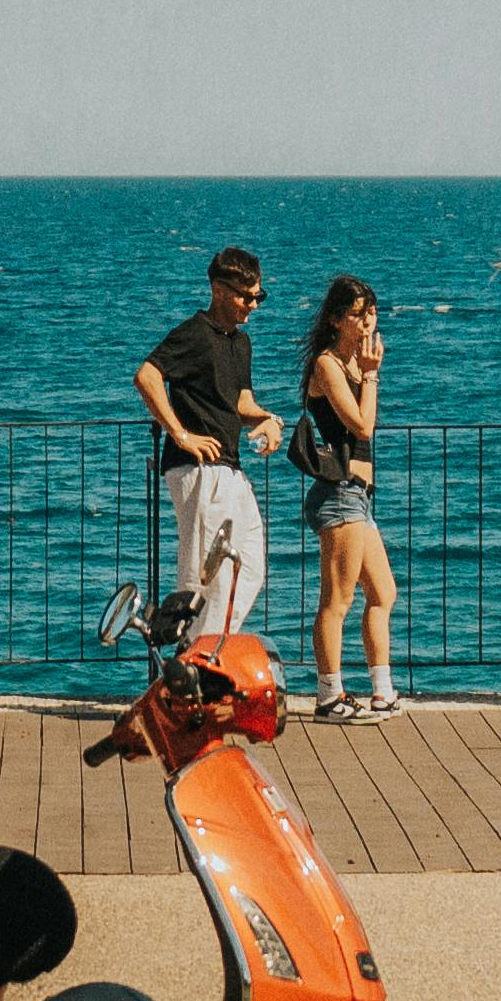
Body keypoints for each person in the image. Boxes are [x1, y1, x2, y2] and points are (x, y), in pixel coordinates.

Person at [135, 246, 280, 644]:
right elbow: (147, 376)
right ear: (218, 289)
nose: (252, 304)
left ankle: (202, 656)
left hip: (231, 468)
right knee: (202, 577)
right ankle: (190, 666)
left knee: (248, 568)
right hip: (199, 470)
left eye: (258, 297)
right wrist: (180, 433)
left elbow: (240, 403)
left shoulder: (240, 342)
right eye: (245, 296)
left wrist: (269, 420)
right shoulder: (194, 334)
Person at [292, 275, 404, 720]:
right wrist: (372, 377)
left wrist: (367, 369)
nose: (366, 321)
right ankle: (329, 696)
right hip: (339, 495)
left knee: (383, 593)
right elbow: (361, 426)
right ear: (337, 319)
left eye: (370, 312)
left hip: (359, 495)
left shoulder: (353, 363)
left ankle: (382, 690)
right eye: (357, 314)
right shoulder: (327, 366)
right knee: (336, 601)